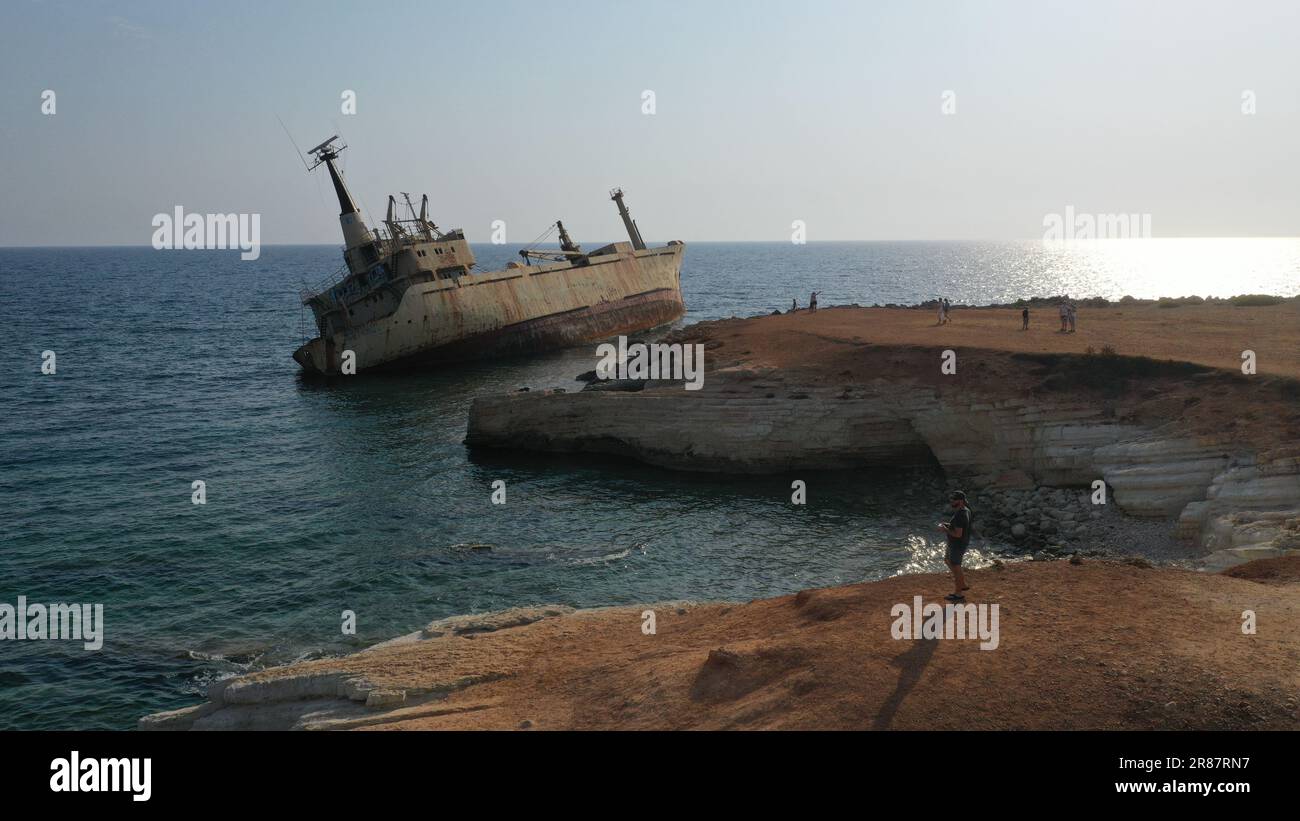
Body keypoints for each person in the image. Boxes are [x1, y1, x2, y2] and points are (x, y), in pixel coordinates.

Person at [937, 490, 973, 601]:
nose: (952, 502)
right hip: (957, 543)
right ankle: (962, 583)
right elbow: (959, 527)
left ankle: (958, 594)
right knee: (948, 560)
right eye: (951, 500)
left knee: (956, 567)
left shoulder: (960, 515)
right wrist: (948, 525)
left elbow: (957, 534)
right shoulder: (965, 510)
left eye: (954, 500)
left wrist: (945, 529)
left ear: (961, 501)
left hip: (957, 544)